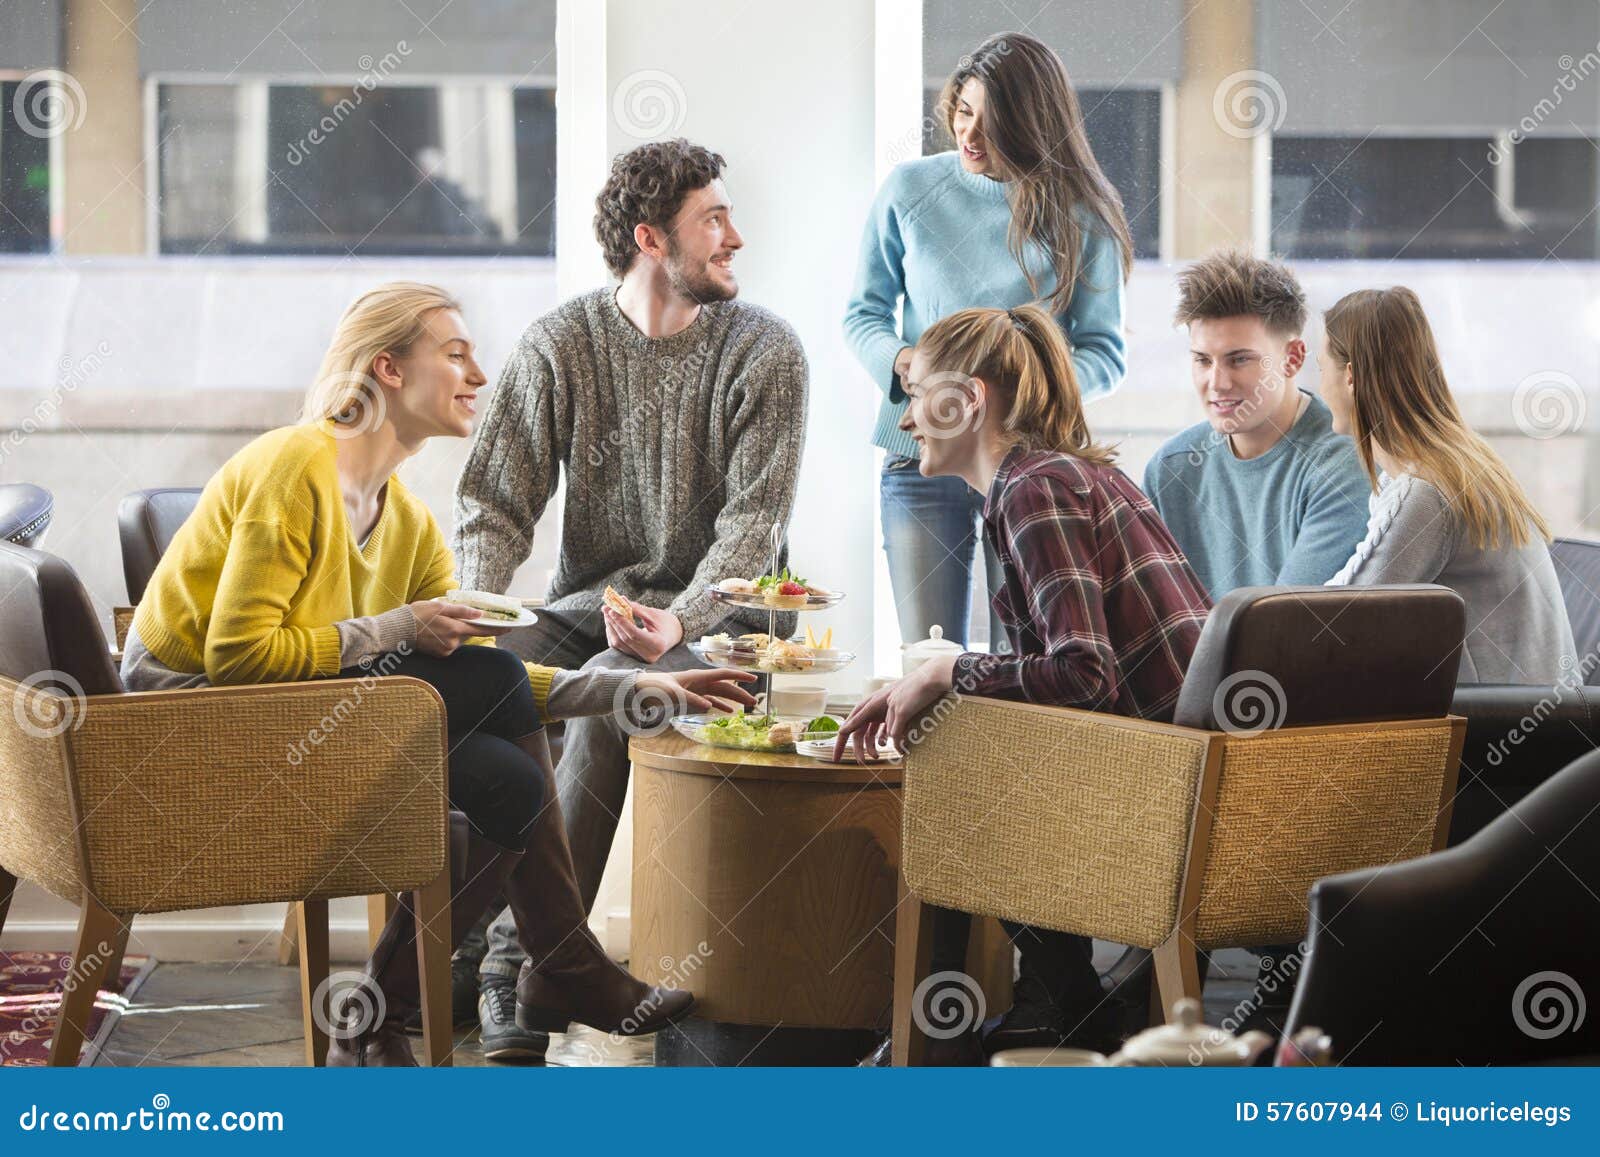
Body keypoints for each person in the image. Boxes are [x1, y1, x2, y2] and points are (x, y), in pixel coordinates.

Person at [121, 282, 761, 1065]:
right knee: (482, 694)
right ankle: (558, 962)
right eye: (455, 354)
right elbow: (238, 657)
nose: (480, 375)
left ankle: (383, 1008)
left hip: (289, 709)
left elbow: (479, 681)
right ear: (388, 369)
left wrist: (630, 690)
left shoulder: (411, 523)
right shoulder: (296, 466)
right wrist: (401, 627)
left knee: (514, 783)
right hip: (186, 720)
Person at [452, 138, 809, 1057]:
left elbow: (753, 529)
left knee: (617, 682)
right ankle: (487, 954)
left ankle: (514, 964)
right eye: (712, 220)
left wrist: (680, 620)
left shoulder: (765, 349)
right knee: (484, 673)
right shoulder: (560, 345)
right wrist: (471, 619)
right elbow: (494, 503)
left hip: (729, 621)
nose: (736, 236)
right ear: (652, 238)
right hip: (591, 606)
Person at [836, 304, 1211, 1064]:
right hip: (1189, 777)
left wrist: (945, 670)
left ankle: (999, 1024)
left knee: (959, 769)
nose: (905, 419)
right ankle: (1065, 1007)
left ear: (969, 400)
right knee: (970, 734)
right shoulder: (1063, 476)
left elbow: (1083, 673)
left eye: (916, 395)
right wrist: (946, 680)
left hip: (1167, 800)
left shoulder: (1031, 489)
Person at [843, 30, 1130, 651]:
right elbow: (862, 314)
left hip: (1028, 463)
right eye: (962, 111)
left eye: (991, 123)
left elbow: (1104, 355)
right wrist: (904, 361)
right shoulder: (910, 190)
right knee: (929, 655)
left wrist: (1019, 396)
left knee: (1030, 657)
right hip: (919, 450)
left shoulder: (1083, 214)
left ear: (1032, 125)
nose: (968, 136)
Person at [1318, 286, 1577, 683]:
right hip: (1544, 723)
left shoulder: (1425, 491)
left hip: (1505, 729)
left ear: (1350, 377)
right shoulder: (1462, 462)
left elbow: (1340, 619)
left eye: (1322, 371)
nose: (1320, 388)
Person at [1143, 249, 1371, 599]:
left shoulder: (1343, 467)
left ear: (1292, 358)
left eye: (1239, 360)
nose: (1217, 383)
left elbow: (1281, 626)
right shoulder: (1170, 469)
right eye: (1203, 360)